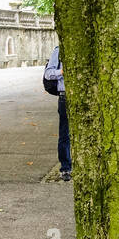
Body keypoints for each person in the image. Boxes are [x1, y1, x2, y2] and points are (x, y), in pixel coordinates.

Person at [44, 45, 71, 181]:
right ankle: (66, 168)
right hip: (65, 96)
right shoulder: (59, 50)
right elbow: (48, 74)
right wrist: (62, 72)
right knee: (65, 134)